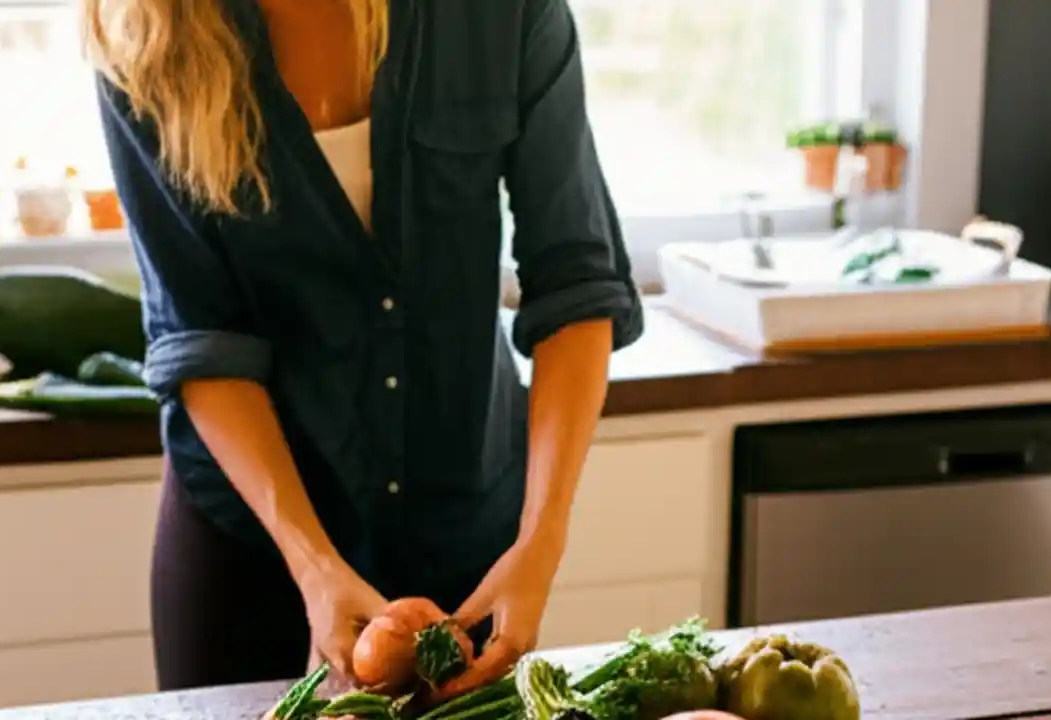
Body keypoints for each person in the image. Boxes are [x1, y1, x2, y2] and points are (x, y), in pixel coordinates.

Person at [81, 0, 642, 696]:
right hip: (256, 545)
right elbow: (201, 336)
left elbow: (576, 282)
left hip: (468, 533)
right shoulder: (145, 34)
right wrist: (313, 565)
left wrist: (541, 540)